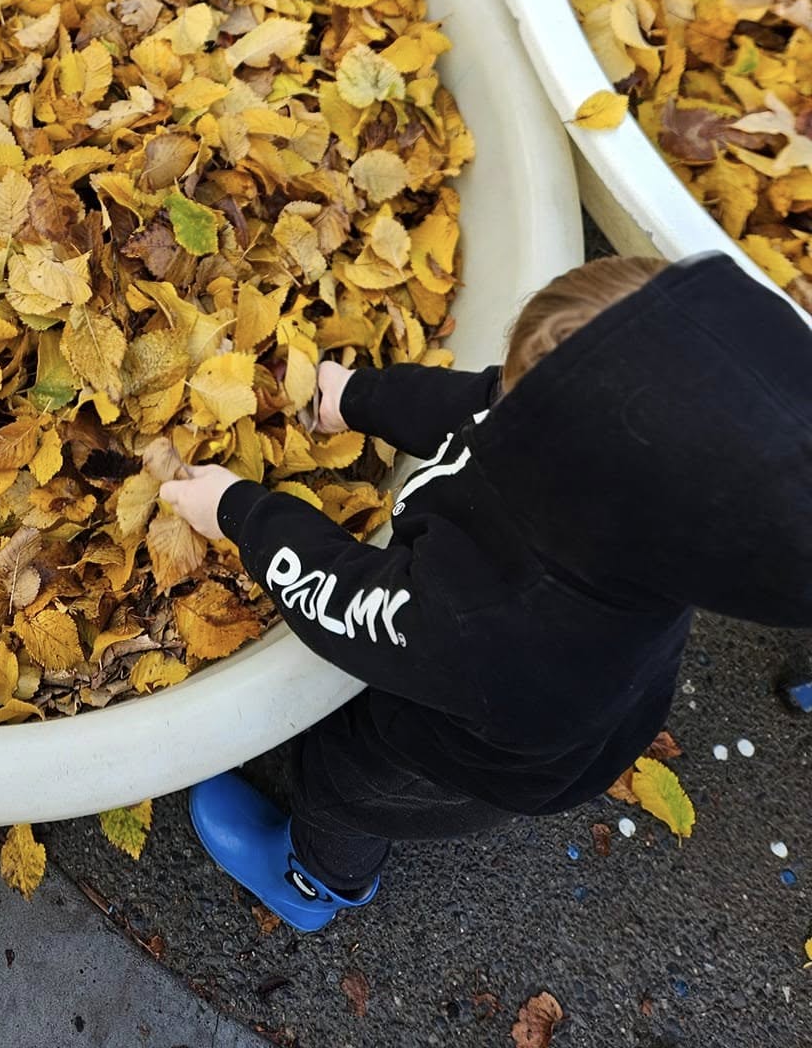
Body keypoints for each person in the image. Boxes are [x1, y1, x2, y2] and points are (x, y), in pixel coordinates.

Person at [158, 254, 812, 930]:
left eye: (518, 399)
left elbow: (354, 605)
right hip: (568, 696)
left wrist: (242, 512)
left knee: (344, 779)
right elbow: (471, 406)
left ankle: (318, 878)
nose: (501, 401)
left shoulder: (499, 614)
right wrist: (356, 397)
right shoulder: (622, 497)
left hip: (469, 761)